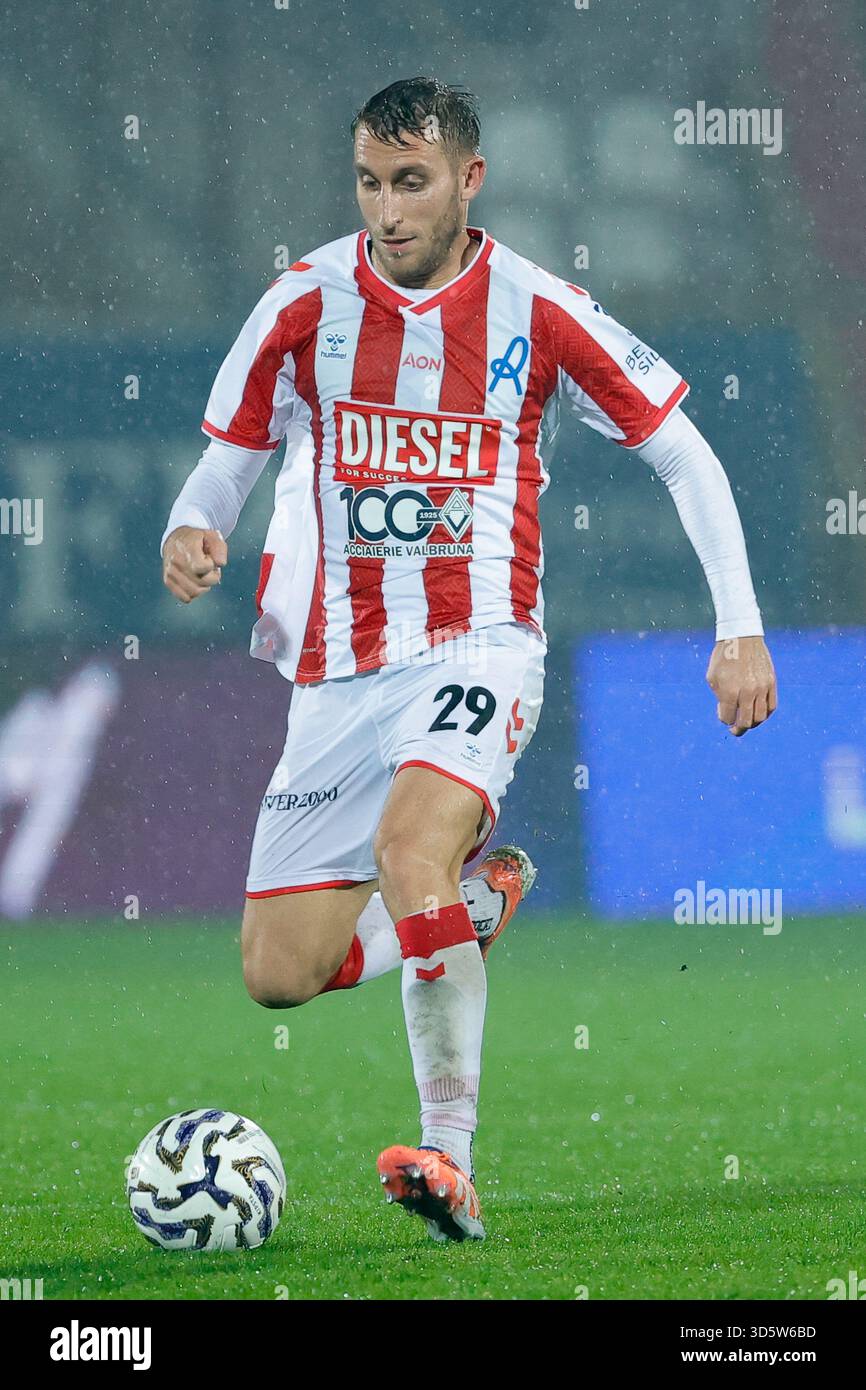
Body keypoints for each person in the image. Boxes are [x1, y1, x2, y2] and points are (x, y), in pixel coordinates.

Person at [161, 76, 777, 1243]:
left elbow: (685, 454)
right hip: (339, 672)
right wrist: (189, 528)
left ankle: (448, 1162)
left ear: (466, 182)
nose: (386, 209)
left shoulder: (537, 312)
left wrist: (735, 625)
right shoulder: (302, 301)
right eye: (367, 182)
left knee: (407, 847)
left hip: (476, 643)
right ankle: (470, 907)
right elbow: (224, 461)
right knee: (279, 972)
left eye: (411, 182)